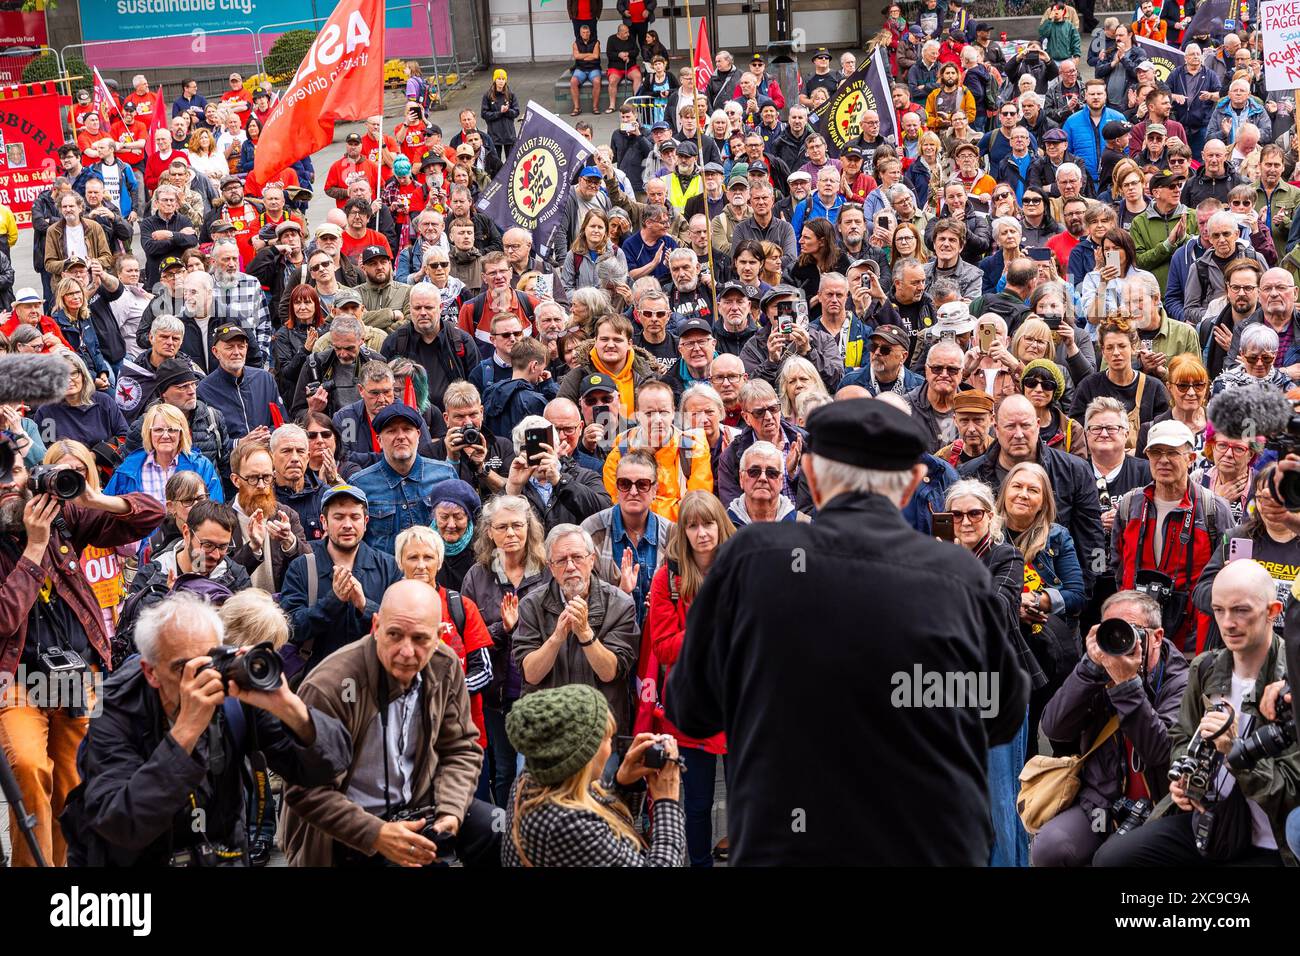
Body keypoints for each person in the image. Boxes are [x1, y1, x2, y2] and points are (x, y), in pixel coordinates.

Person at [665, 399, 1030, 864]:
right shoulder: (957, 573)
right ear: (912, 486)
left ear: (811, 474)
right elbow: (1001, 709)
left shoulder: (752, 558)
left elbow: (692, 707)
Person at [61, 589, 349, 867]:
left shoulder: (233, 694)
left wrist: (289, 707)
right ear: (151, 672)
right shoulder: (116, 706)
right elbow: (122, 823)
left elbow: (326, 769)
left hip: (219, 852)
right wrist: (186, 731)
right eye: (182, 667)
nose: (200, 676)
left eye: (210, 660)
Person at [1095, 559, 1298, 866]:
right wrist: (1183, 779)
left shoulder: (1290, 683)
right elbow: (1180, 736)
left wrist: (1234, 752)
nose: (1228, 623)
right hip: (1209, 821)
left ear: (1273, 612)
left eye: (1241, 610)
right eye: (1219, 610)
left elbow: (1289, 793)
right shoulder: (1205, 665)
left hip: (1271, 835)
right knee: (1112, 859)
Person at [1033, 589, 1188, 866]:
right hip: (1101, 802)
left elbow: (1160, 752)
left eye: (1130, 630)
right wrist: (1089, 670)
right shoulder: (1096, 668)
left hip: (1159, 808)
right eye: (1110, 629)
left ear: (1157, 637)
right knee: (1050, 847)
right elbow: (1054, 728)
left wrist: (1126, 686)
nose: (1119, 639)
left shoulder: (1180, 680)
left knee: (1111, 859)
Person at [503, 684, 686, 867]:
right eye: (607, 738)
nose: (610, 747)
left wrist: (623, 784)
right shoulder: (569, 825)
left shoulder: (534, 777)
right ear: (583, 756)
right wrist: (666, 802)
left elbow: (599, 822)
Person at [1111, 419, 1231, 656]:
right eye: (1156, 452)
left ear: (1191, 459)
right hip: (1136, 634)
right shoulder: (1130, 505)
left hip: (1192, 639)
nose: (1163, 460)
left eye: (1173, 453)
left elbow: (1228, 572)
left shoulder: (1213, 509)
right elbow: (1118, 564)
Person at [512, 523, 639, 733]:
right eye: (561, 560)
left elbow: (610, 673)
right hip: (545, 729)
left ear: (591, 560)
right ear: (551, 568)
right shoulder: (531, 604)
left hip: (599, 730)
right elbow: (530, 674)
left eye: (577, 557)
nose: (570, 566)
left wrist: (585, 633)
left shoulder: (620, 604)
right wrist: (556, 638)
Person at [280, 483, 404, 678]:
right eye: (338, 517)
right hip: (316, 678)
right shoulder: (302, 567)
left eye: (355, 517)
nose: (347, 524)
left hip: (373, 678)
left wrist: (365, 606)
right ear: (324, 522)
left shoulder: (388, 567)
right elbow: (290, 629)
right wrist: (333, 601)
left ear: (366, 521)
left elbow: (401, 627)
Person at [105, 401, 222, 508]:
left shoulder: (201, 466)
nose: (165, 436)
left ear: (181, 434)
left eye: (172, 430)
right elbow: (108, 507)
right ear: (148, 433)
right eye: (158, 430)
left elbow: (214, 511)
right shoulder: (129, 468)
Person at [31, 351, 126, 449]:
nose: (68, 380)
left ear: (83, 375)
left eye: (73, 373)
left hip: (103, 462)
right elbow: (46, 450)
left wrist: (97, 455)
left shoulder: (104, 402)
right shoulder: (46, 411)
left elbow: (123, 437)